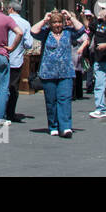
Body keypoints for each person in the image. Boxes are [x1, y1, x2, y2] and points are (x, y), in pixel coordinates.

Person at [30, 10, 80, 138]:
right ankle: (53, 125)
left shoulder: (68, 33)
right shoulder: (45, 33)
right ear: (51, 24)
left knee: (65, 99)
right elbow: (33, 31)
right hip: (48, 72)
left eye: (59, 22)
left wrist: (70, 17)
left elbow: (81, 30)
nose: (57, 25)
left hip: (66, 72)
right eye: (54, 22)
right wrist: (44, 20)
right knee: (51, 101)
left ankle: (66, 127)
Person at [4, 0, 33, 122]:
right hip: (16, 59)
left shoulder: (4, 21)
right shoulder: (25, 23)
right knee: (13, 87)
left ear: (10, 9)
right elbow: (29, 43)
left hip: (2, 57)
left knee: (2, 86)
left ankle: (1, 112)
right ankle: (10, 113)